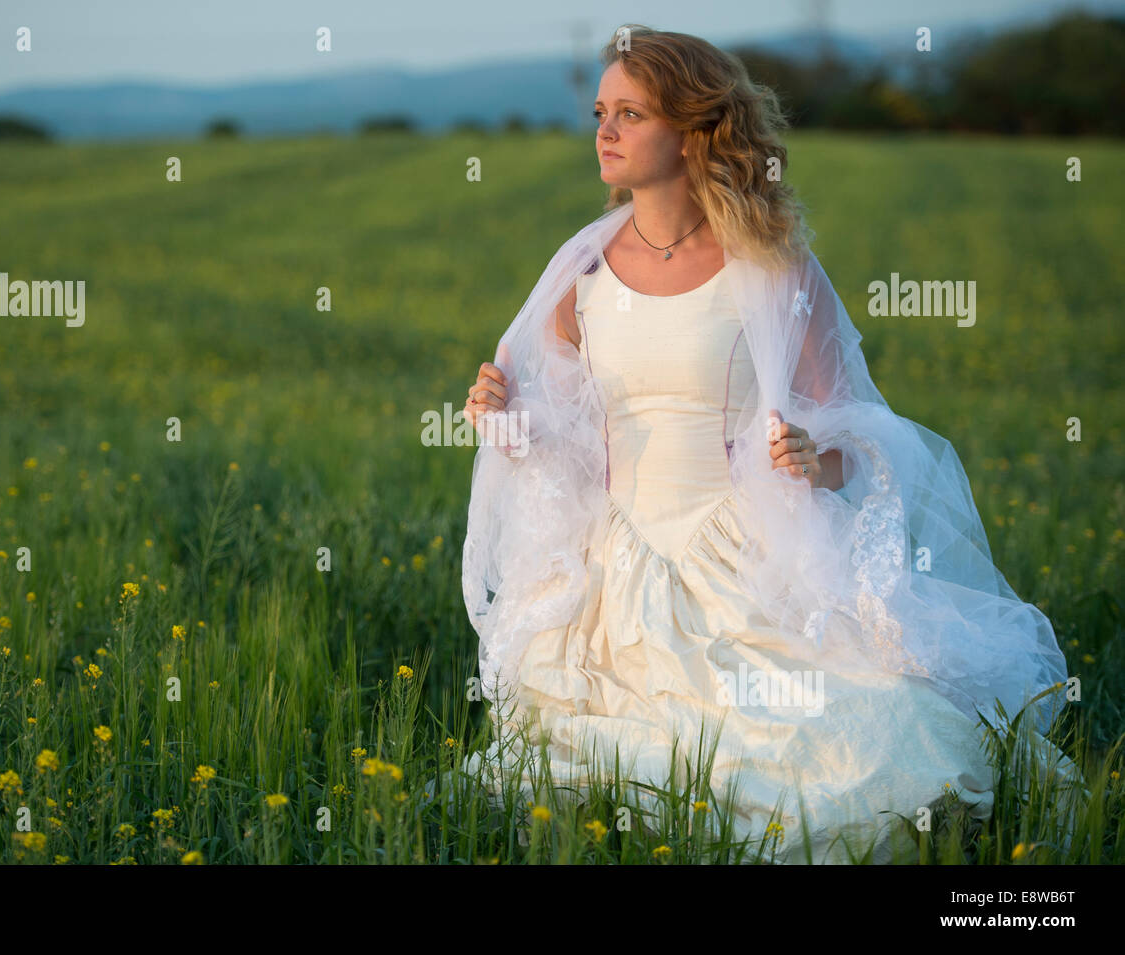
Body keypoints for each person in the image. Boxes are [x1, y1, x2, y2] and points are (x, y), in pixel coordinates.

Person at [458, 25, 1081, 863]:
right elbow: (569, 447)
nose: (604, 131)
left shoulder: (769, 267)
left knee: (878, 725)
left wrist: (814, 462)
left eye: (630, 114)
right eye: (601, 111)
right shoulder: (585, 273)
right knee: (591, 747)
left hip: (743, 557)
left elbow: (856, 429)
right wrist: (506, 419)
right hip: (622, 570)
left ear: (690, 130)